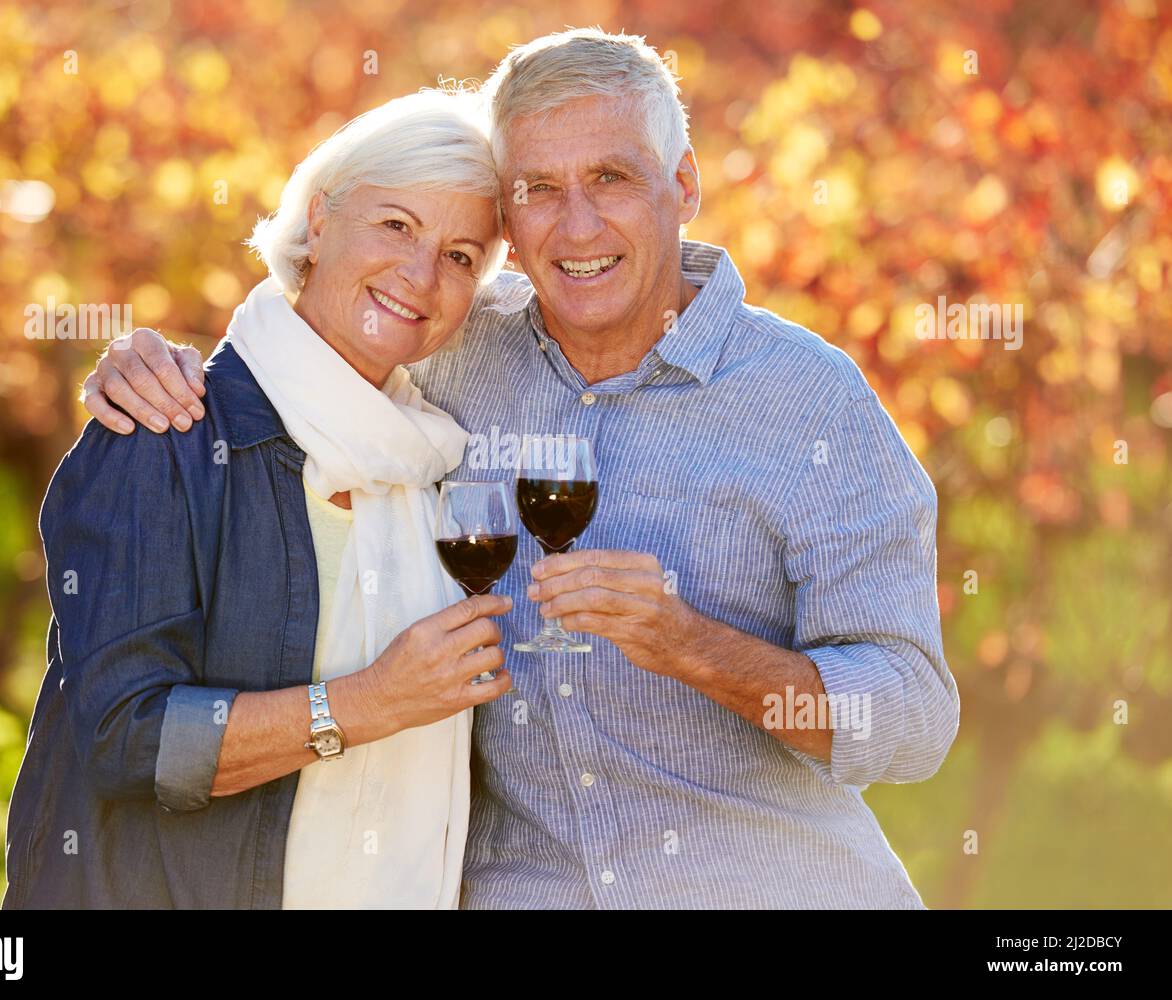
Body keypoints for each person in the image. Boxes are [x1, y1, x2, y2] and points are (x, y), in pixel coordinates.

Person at [83, 29, 961, 909]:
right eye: (537, 191)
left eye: (611, 178)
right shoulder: (453, 343)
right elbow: (328, 332)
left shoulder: (809, 400)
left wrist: (696, 647)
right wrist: (153, 361)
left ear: (683, 184)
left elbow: (913, 720)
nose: (576, 226)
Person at [3, 88, 514, 909]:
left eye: (461, 256)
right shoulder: (165, 432)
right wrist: (367, 703)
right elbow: (126, 739)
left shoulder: (435, 465)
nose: (421, 274)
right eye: (396, 226)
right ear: (318, 221)